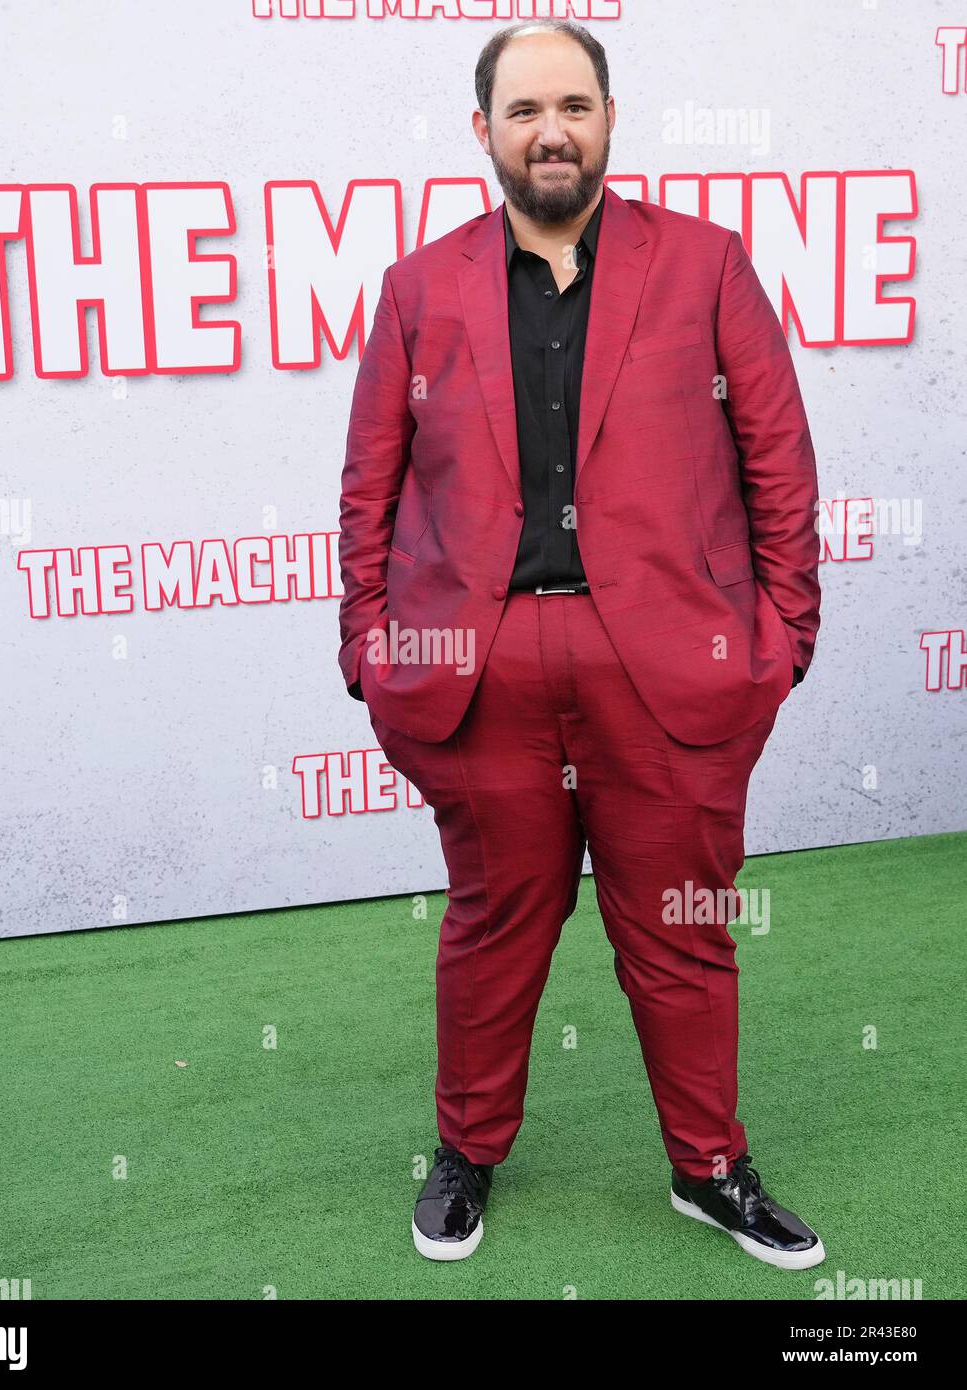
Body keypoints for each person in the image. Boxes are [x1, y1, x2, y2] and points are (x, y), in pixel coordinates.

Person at [337, 18, 823, 1270]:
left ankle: (708, 1168)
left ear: (609, 115)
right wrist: (371, 656)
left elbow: (778, 462)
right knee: (494, 925)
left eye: (570, 105)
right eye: (520, 111)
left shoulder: (707, 268)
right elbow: (368, 494)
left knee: (684, 922)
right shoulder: (413, 289)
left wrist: (780, 639)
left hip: (667, 672)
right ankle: (465, 1154)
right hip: (482, 676)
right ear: (483, 132)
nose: (547, 130)